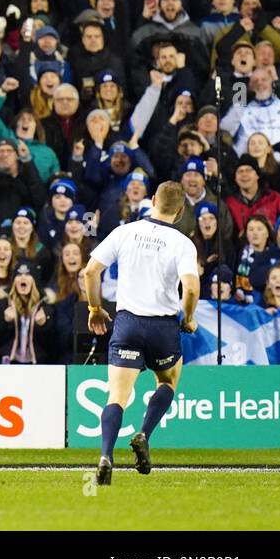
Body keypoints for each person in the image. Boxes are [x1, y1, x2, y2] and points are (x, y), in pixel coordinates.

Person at [79, 181, 200, 485]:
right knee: (168, 381)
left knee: (117, 395)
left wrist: (94, 308)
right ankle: (144, 433)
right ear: (181, 210)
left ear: (153, 200)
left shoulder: (125, 231)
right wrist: (188, 317)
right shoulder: (182, 243)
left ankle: (106, 455)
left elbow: (90, 271)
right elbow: (193, 288)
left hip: (128, 323)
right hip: (162, 327)